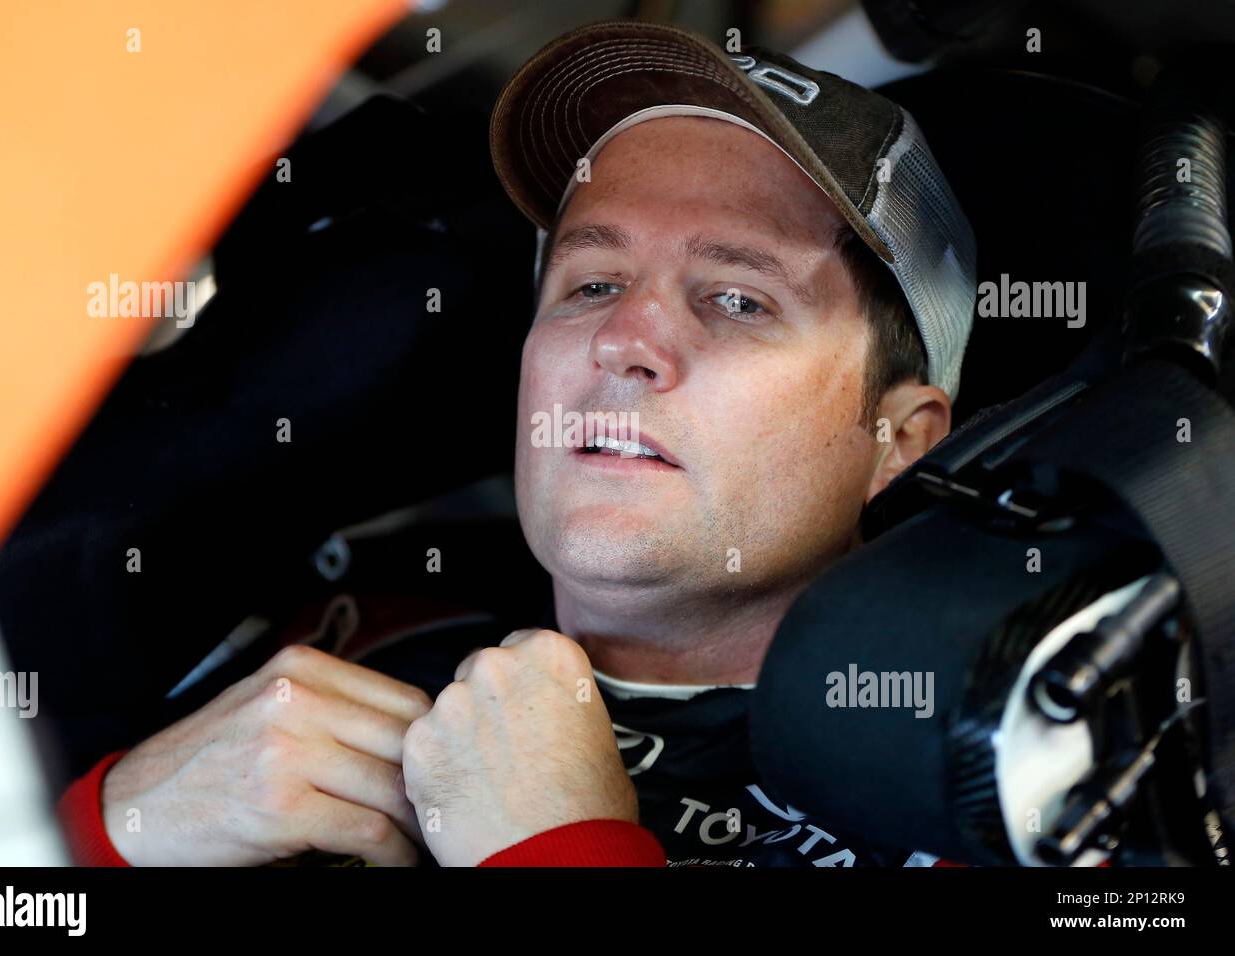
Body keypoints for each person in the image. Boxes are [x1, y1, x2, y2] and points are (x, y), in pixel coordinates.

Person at [58, 19, 976, 867]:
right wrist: (102, 833)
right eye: (591, 283)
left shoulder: (981, 796)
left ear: (900, 440)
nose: (624, 339)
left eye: (737, 298)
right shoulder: (342, 631)